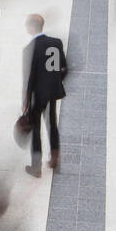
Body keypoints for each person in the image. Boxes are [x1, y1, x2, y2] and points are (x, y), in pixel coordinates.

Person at [22, 14, 67, 177]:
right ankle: (54, 158)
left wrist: (26, 101)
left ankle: (36, 167)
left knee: (35, 129)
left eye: (27, 26)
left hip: (37, 94)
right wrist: (54, 82)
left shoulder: (30, 48)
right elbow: (63, 67)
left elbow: (28, 78)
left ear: (33, 28)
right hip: (52, 91)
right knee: (52, 124)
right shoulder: (56, 43)